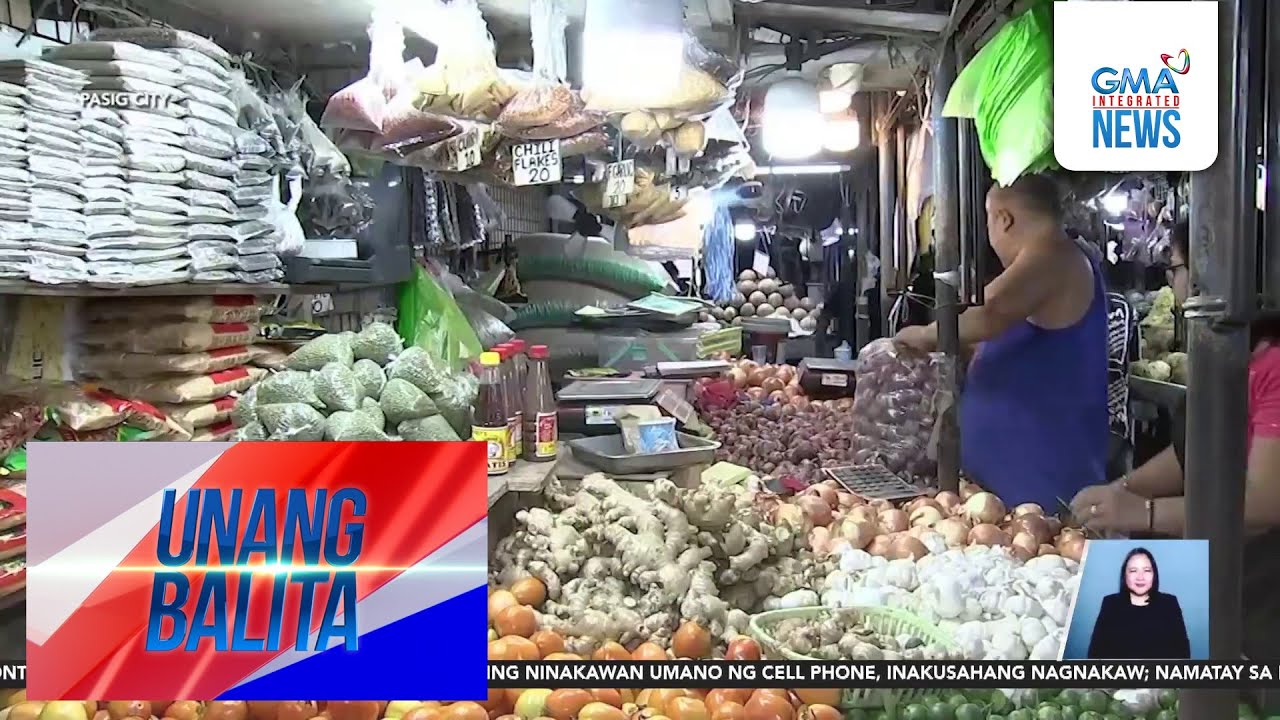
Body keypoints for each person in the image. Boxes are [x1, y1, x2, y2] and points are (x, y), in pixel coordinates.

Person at [1070, 221, 1280, 660]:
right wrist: (1124, 489)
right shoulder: (1229, 352)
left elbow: (1264, 503)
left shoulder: (1274, 367)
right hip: (1221, 564)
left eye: (1175, 268)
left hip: (1264, 585)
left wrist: (1145, 512)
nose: (1172, 281)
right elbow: (1194, 452)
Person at [894, 174, 1109, 506]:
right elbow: (997, 340)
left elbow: (988, 313)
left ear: (1003, 219)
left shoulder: (1053, 255)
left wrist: (921, 336)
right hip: (1002, 492)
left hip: (1043, 489)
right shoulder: (1042, 267)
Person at [1086, 547, 1191, 659]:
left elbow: (1183, 653)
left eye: (1146, 570)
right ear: (1124, 575)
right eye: (1133, 571)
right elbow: (1095, 653)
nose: (1140, 577)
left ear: (1154, 574)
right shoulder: (1110, 604)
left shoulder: (1169, 603)